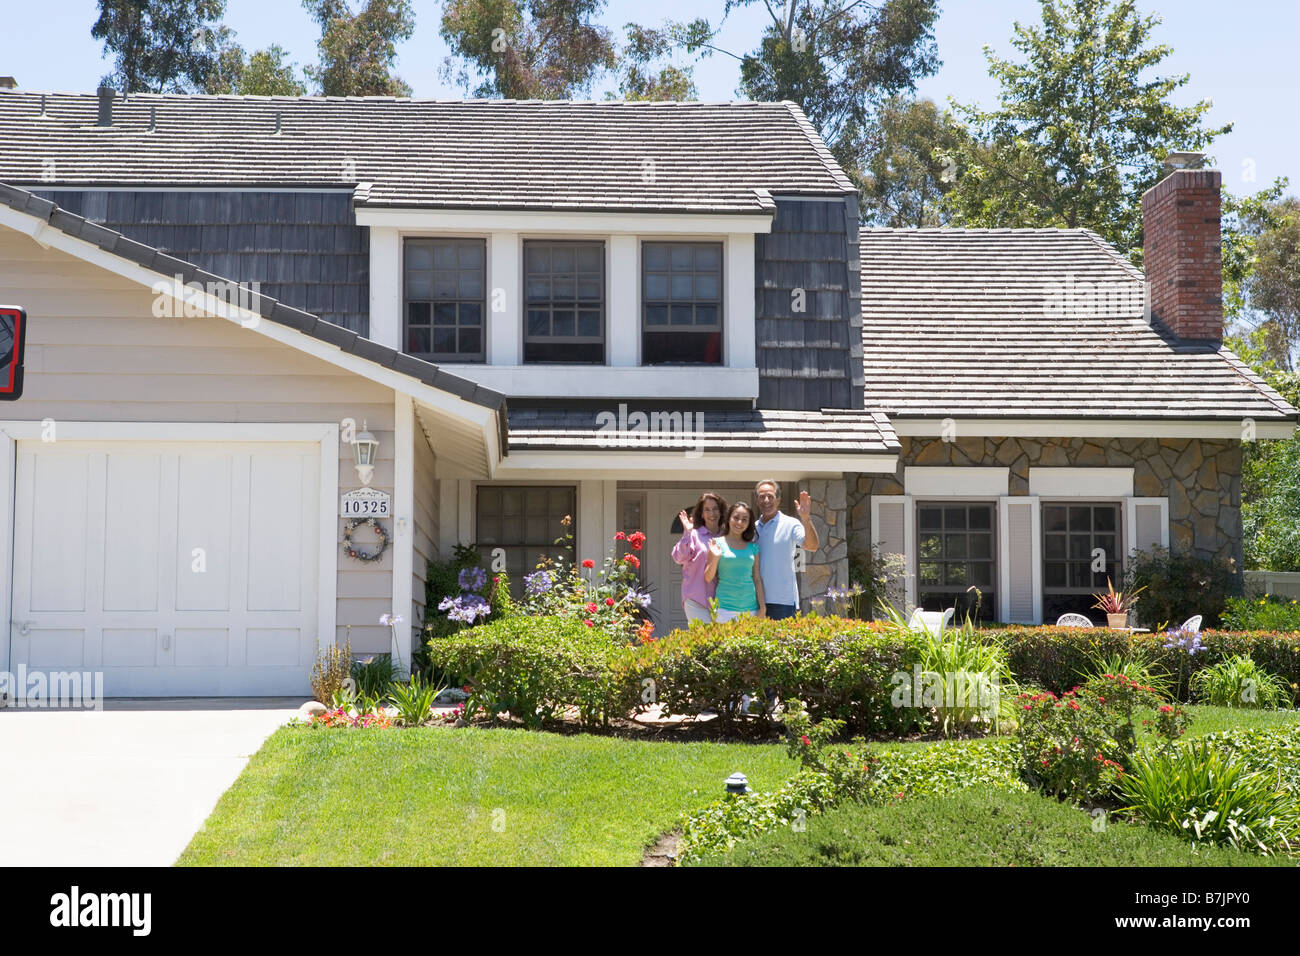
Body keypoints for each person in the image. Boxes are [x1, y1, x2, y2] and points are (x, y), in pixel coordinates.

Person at [754, 479, 820, 620]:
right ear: (757, 501)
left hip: (783, 602)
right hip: (754, 601)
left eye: (770, 496)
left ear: (778, 500)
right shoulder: (751, 528)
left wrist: (806, 518)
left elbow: (812, 546)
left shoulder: (790, 524)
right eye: (762, 497)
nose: (766, 500)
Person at [672, 492, 727, 625]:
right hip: (696, 598)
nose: (711, 513)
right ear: (701, 514)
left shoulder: (727, 537)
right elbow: (679, 558)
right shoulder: (694, 535)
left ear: (720, 512)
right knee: (704, 639)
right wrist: (687, 533)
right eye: (707, 510)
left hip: (723, 600)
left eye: (715, 509)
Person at [704, 502, 766, 622]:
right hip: (723, 610)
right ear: (728, 519)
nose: (739, 523)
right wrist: (716, 557)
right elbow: (708, 577)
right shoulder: (716, 543)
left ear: (748, 524)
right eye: (736, 518)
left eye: (744, 520)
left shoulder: (753, 547)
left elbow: (757, 579)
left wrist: (762, 608)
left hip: (751, 610)